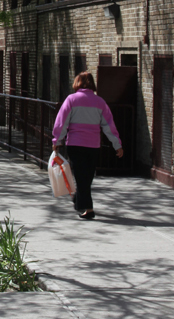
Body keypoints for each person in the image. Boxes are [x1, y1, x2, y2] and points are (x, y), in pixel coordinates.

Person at [52, 71, 123, 220]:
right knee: (87, 176)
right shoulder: (100, 102)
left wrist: (57, 141)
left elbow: (61, 122)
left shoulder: (71, 100)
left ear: (77, 83)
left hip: (75, 144)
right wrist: (117, 145)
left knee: (80, 176)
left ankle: (87, 208)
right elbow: (109, 126)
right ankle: (80, 201)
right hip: (93, 145)